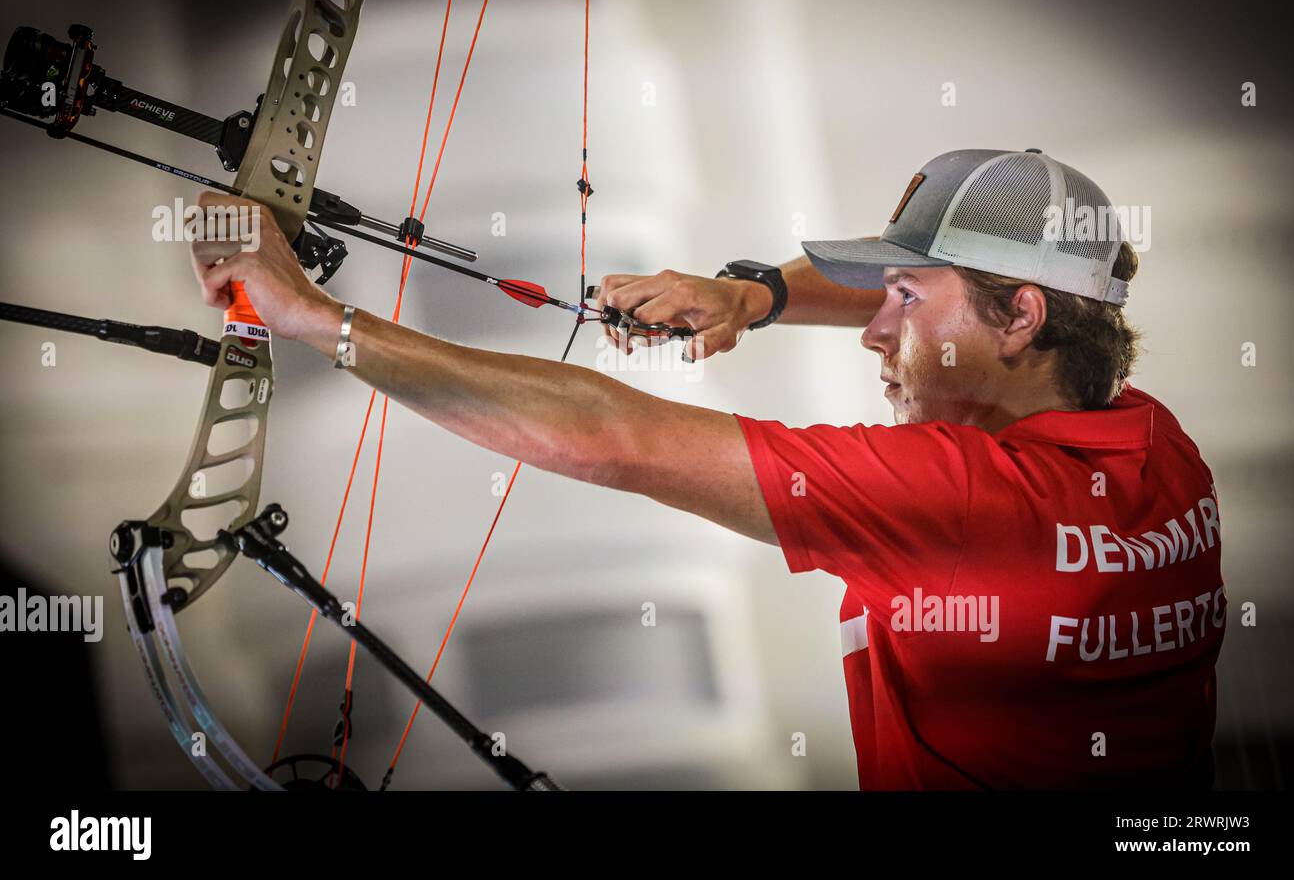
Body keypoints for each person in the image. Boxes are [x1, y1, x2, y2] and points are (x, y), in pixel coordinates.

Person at [190, 147, 1225, 789]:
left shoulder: (963, 501)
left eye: (904, 299)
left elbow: (615, 437)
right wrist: (751, 295)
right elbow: (963, 301)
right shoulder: (1152, 448)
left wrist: (318, 320)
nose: (874, 331)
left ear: (1021, 318)